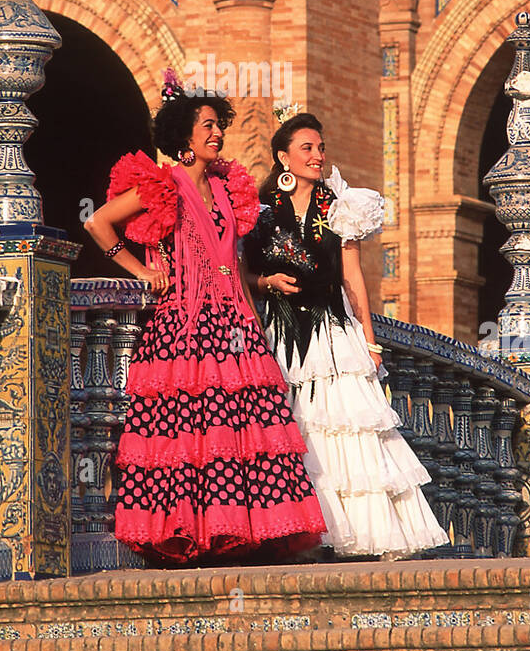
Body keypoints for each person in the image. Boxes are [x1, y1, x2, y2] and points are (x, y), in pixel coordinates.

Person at [84, 72, 326, 564]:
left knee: (243, 429)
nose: (217, 134)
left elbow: (232, 260)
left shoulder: (226, 187)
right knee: (189, 432)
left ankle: (245, 532)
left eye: (219, 126)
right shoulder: (162, 184)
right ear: (185, 135)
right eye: (208, 126)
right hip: (184, 322)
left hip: (233, 321)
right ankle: (191, 532)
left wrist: (255, 298)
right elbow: (97, 221)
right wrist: (139, 270)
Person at [243, 111, 448, 560]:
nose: (317, 156)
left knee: (346, 429)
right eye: (307, 148)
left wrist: (370, 342)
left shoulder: (341, 206)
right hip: (279, 336)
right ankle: (301, 533)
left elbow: (353, 279)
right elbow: (244, 274)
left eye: (320, 148)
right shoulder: (259, 214)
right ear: (284, 158)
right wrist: (266, 284)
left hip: (333, 336)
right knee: (298, 430)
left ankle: (357, 535)